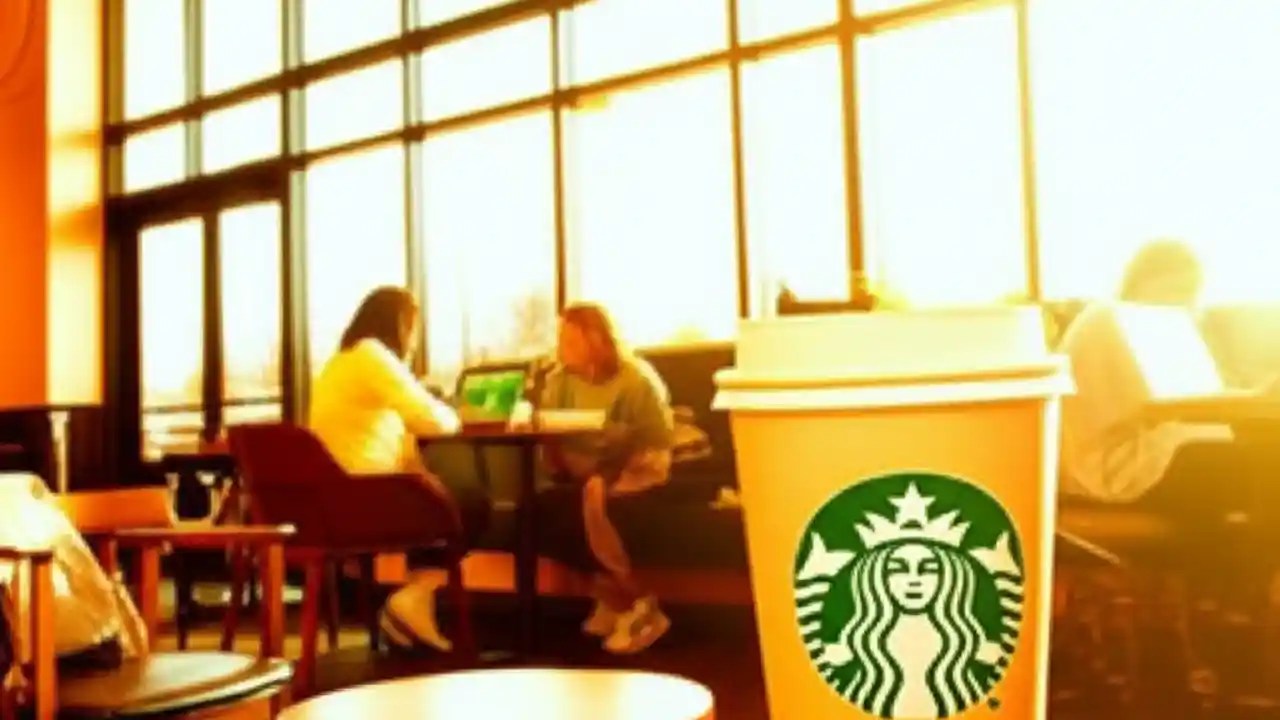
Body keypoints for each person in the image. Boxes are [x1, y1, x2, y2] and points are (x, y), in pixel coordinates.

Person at [310, 286, 490, 652]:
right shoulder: (372, 356)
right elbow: (432, 420)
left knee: (432, 494)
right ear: (400, 325)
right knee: (471, 500)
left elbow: (390, 429)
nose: (414, 339)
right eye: (413, 328)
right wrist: (456, 415)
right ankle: (416, 594)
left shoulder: (342, 361)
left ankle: (413, 602)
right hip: (363, 499)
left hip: (336, 499)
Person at [536, 303, 676, 654]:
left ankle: (637, 601)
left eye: (570, 338)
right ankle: (608, 596)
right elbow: (549, 430)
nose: (562, 346)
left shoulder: (635, 379)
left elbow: (654, 439)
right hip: (584, 467)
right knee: (543, 507)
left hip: (637, 464)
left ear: (595, 340)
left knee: (594, 498)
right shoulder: (559, 380)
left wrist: (606, 473)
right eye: (560, 338)